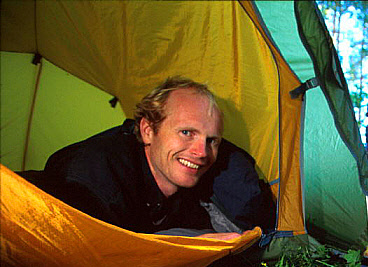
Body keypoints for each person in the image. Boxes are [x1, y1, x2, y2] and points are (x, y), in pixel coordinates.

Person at [22, 77, 274, 239]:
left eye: (212, 141)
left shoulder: (195, 186)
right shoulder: (96, 180)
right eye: (186, 132)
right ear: (147, 130)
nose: (202, 152)